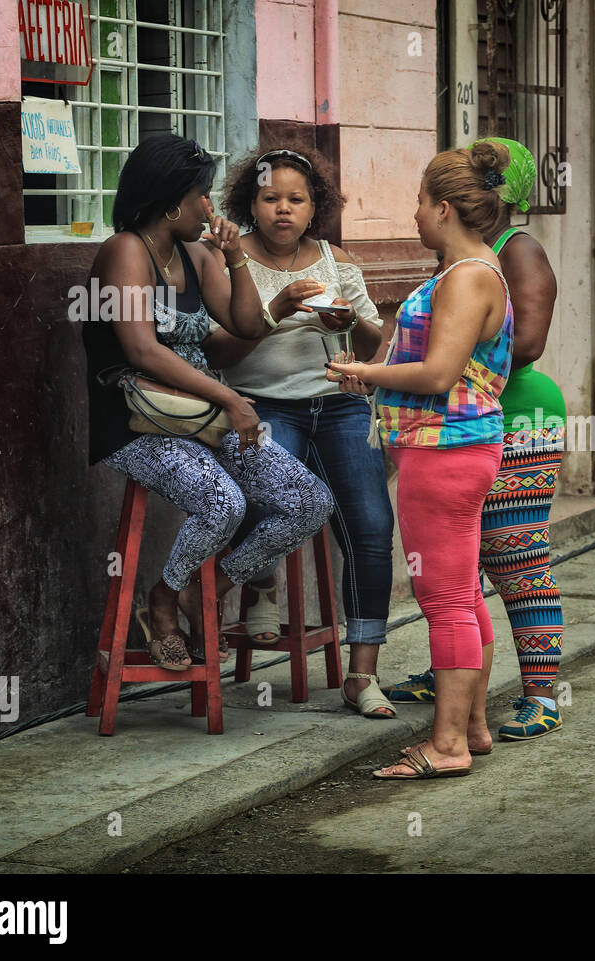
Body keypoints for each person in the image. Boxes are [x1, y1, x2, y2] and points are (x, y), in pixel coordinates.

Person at [83, 134, 333, 671]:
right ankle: (162, 599)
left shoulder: (198, 254)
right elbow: (141, 347)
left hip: (207, 417)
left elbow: (243, 324)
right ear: (171, 199)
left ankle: (204, 587)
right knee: (224, 502)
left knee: (308, 500)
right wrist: (232, 398)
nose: (209, 208)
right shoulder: (124, 251)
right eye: (202, 196)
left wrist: (236, 256)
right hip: (140, 422)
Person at [325, 141, 514, 778]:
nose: (412, 214)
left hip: (447, 450)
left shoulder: (468, 278)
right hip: (454, 449)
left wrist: (365, 371)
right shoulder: (470, 271)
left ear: (442, 209)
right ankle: (474, 730)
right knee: (463, 595)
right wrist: (368, 360)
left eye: (416, 202)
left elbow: (436, 374)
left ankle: (448, 746)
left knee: (446, 602)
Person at [382, 137, 566, 741]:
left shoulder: (515, 251)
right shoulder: (464, 255)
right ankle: (459, 688)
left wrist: (452, 365)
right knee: (464, 571)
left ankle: (540, 696)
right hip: (468, 423)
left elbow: (527, 343)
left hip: (512, 418)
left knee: (515, 559)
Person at [205, 147, 397, 718]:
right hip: (262, 405)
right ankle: (261, 589)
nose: (283, 210)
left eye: (297, 199)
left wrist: (350, 322)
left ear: (315, 208)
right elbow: (219, 351)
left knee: (370, 527)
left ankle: (362, 675)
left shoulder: (335, 262)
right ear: (251, 204)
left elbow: (373, 348)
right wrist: (277, 310)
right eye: (270, 198)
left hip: (338, 405)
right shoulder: (230, 259)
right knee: (269, 500)